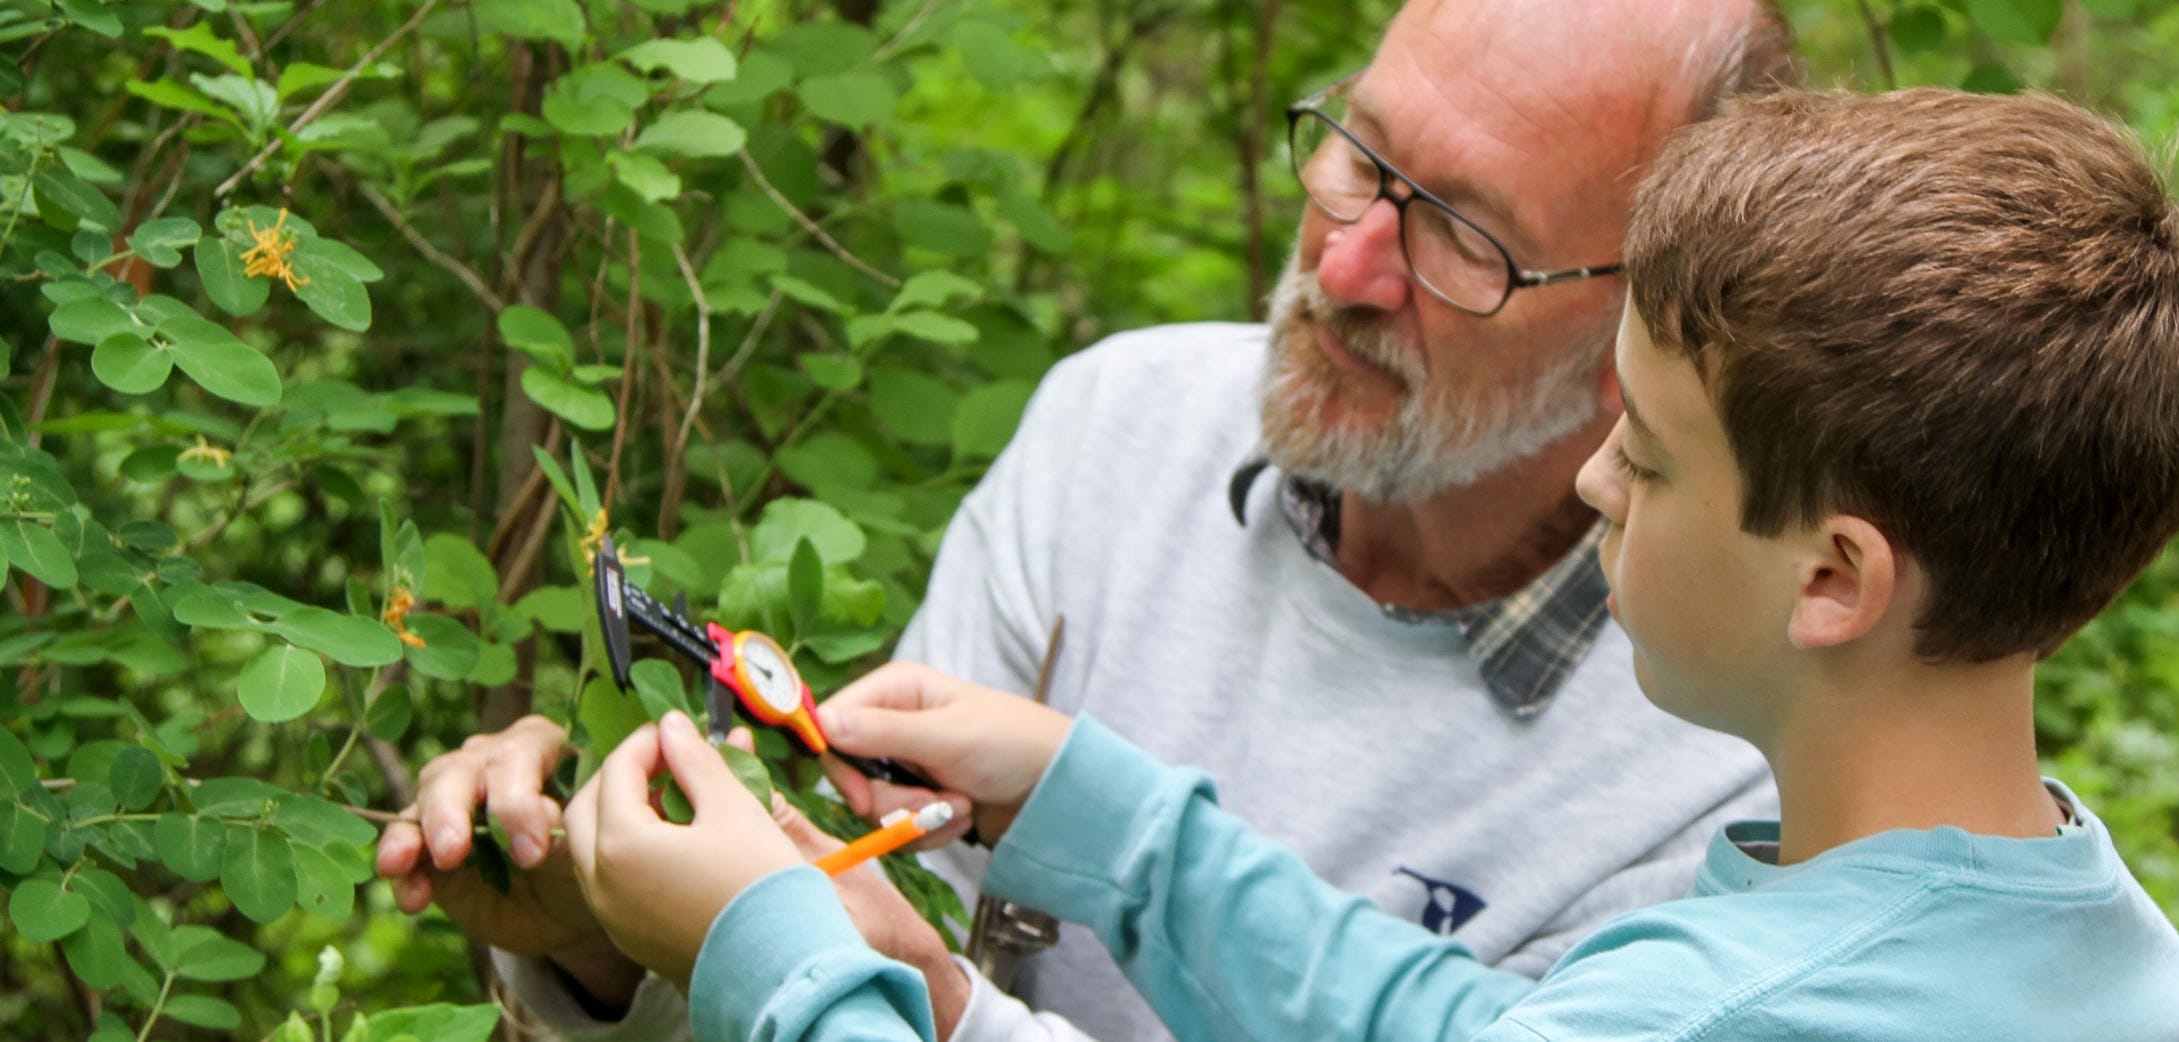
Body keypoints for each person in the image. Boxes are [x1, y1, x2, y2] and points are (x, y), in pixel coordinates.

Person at [568, 86, 2179, 1041]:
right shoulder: (2081, 955)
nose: (1595, 476)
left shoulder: (1733, 1011)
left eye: (1648, 458)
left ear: (1833, 579)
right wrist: (1111, 823)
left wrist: (779, 957)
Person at [374, 2, 1796, 1038]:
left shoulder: (1728, 765)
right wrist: (604, 944)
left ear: (1644, 316)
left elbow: (853, 983)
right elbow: (826, 938)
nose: (1349, 261)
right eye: (1360, 154)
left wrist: (911, 1000)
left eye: (1461, 236)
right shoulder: (1115, 433)